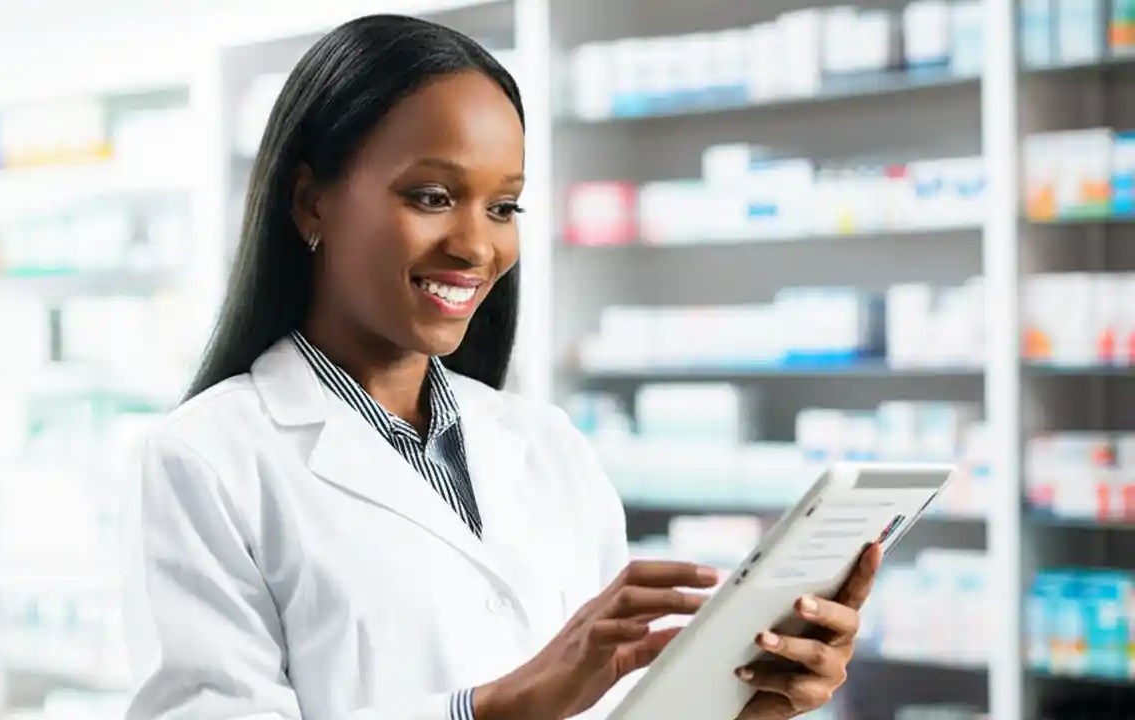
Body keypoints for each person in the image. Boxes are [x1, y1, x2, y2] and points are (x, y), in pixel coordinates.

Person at [124, 13, 882, 720]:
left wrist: (740, 705)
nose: (476, 247)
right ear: (309, 202)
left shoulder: (547, 446)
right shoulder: (208, 460)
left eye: (502, 207)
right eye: (432, 196)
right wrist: (494, 707)